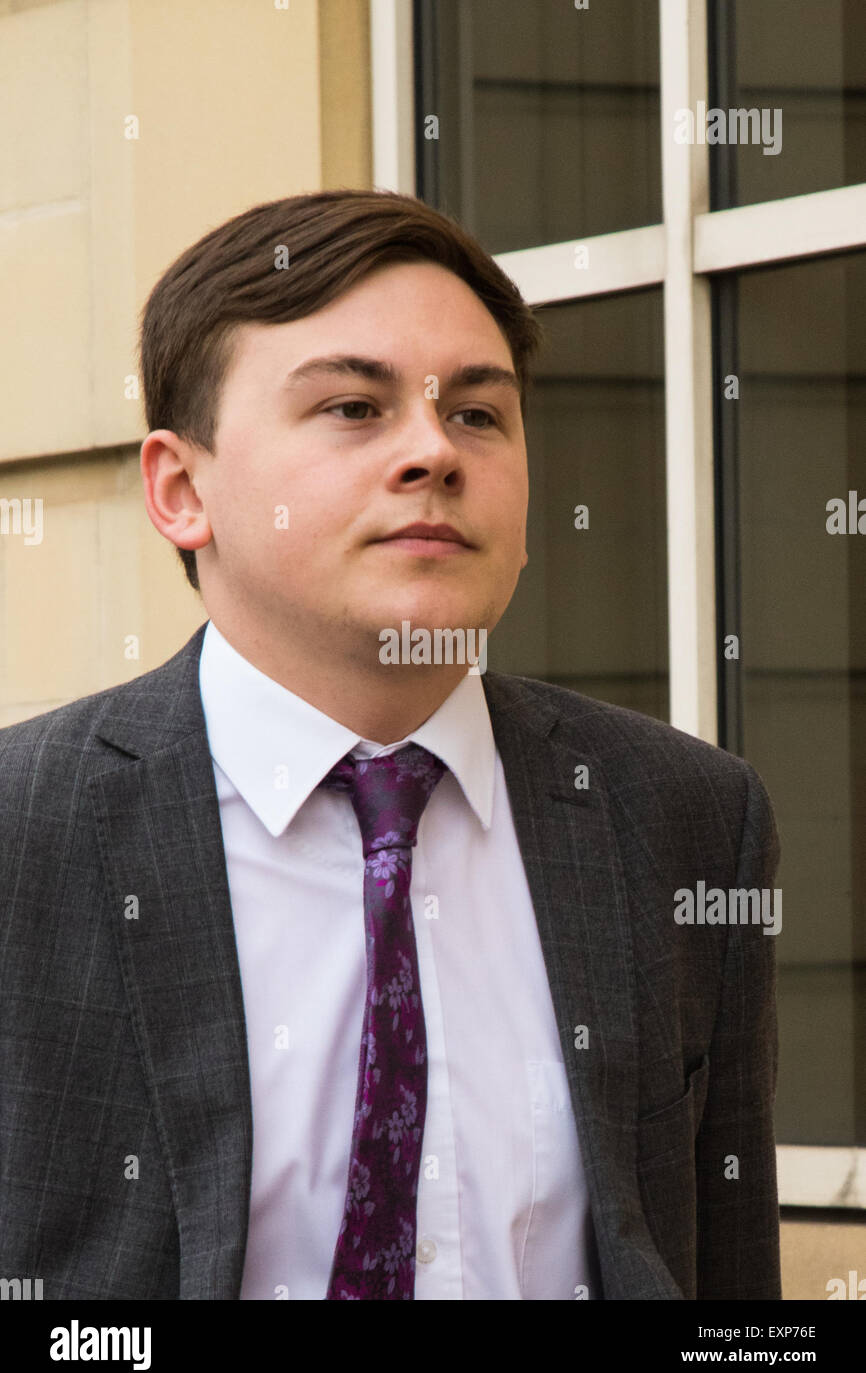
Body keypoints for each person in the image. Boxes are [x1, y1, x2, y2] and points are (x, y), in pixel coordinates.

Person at [0, 189, 781, 1300]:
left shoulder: (685, 818)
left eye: (476, 414)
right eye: (354, 408)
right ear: (182, 489)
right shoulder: (27, 831)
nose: (432, 452)